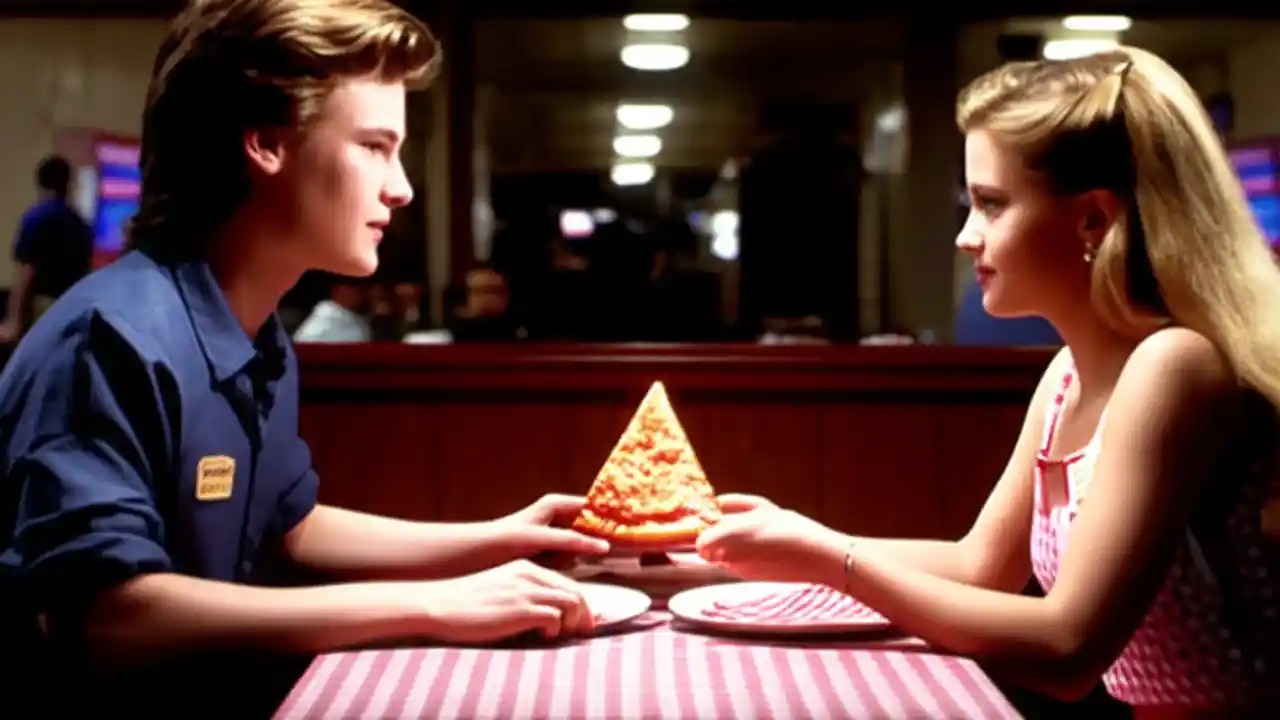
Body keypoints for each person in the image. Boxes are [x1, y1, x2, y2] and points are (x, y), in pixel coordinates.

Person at [0, 1, 607, 716]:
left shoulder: (256, 336)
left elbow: (293, 528)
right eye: (374, 146)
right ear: (265, 143)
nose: (401, 187)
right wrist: (433, 604)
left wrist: (498, 539)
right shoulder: (110, 339)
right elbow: (109, 616)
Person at [696, 47, 1280, 717]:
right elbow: (980, 567)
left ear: (1093, 219)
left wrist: (833, 562)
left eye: (991, 205)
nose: (965, 237)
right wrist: (790, 543)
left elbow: (1066, 650)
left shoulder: (1175, 366)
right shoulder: (1067, 377)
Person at [0, 155, 93, 343]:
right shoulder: (81, 225)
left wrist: (14, 324)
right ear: (68, 184)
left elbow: (27, 273)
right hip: (71, 312)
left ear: (40, 182)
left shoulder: (36, 218)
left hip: (41, 311)